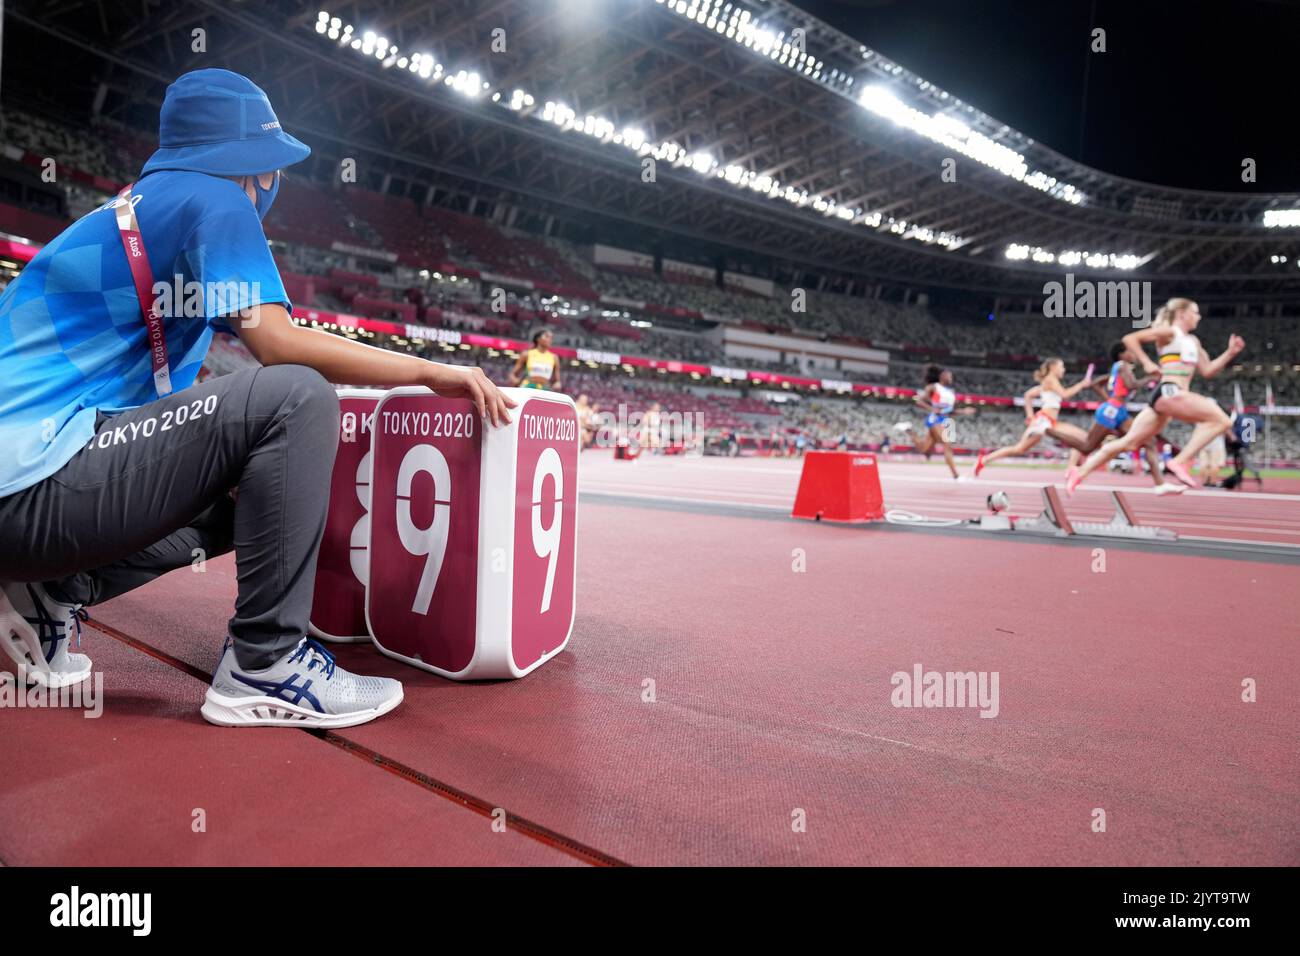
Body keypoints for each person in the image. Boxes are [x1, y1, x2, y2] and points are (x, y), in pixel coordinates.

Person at [0, 70, 515, 727]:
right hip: (27, 490)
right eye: (274, 166)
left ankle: (45, 592)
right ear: (254, 165)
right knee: (295, 399)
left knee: (252, 477)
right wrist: (429, 371)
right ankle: (266, 662)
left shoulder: (143, 207)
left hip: (22, 500)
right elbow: (278, 345)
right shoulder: (214, 199)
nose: (276, 182)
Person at [1066, 298, 1244, 494]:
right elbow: (1130, 339)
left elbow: (1208, 370)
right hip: (1169, 391)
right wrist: (1147, 363)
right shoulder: (1170, 332)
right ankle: (1180, 461)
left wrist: (1230, 353)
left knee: (1129, 442)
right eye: (1195, 312)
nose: (1198, 317)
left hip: (1167, 398)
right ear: (1182, 314)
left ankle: (1080, 473)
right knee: (1221, 420)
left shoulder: (1193, 341)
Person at [1049, 341, 1181, 495]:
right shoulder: (1122, 365)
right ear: (1122, 354)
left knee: (1149, 441)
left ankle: (1160, 484)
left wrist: (1109, 399)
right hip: (1111, 411)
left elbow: (1095, 384)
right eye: (1130, 351)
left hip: (1119, 411)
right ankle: (1048, 430)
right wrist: (1150, 378)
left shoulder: (1118, 368)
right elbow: (1131, 385)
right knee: (1087, 447)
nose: (1133, 354)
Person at [974, 358, 1092, 476]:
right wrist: (1081, 384)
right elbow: (1065, 395)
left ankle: (1070, 470)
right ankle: (1071, 470)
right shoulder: (1051, 379)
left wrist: (1030, 416)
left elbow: (1028, 395)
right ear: (1053, 367)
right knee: (1080, 439)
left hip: (1049, 421)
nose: (1064, 370)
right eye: (1061, 366)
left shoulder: (1048, 382)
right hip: (1044, 421)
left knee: (1081, 439)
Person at [894, 365, 974, 480]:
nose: (951, 377)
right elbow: (919, 401)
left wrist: (963, 411)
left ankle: (908, 429)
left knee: (924, 449)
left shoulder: (951, 393)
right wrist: (932, 409)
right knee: (947, 444)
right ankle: (956, 476)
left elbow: (950, 412)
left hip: (946, 421)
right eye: (949, 375)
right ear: (942, 376)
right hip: (936, 419)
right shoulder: (934, 387)